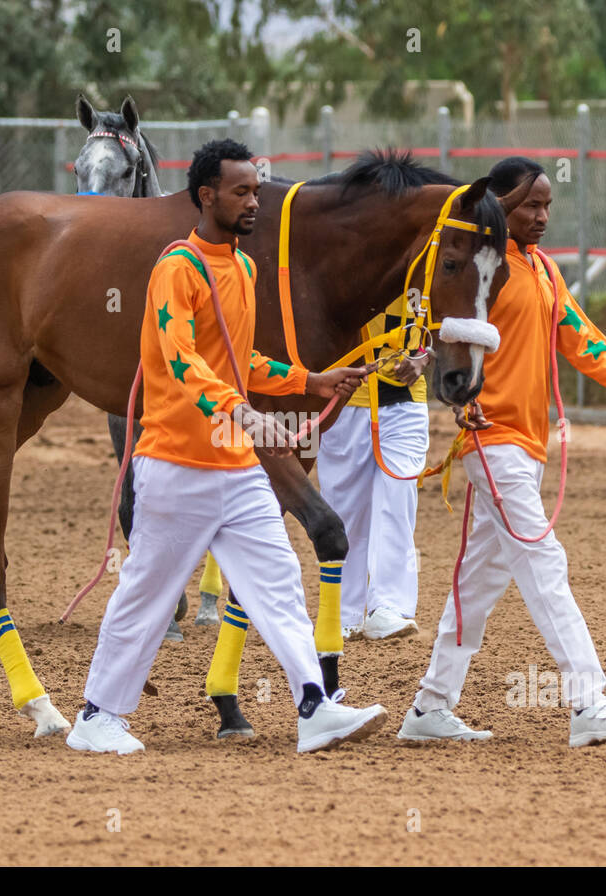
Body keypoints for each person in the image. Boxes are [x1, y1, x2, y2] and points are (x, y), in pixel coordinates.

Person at [66, 139, 387, 755]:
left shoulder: (243, 268)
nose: (253, 201)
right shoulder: (175, 269)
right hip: (175, 467)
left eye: (257, 191)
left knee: (277, 583)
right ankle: (97, 715)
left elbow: (239, 364)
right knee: (147, 595)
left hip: (236, 468)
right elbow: (182, 360)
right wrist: (237, 410)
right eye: (241, 191)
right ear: (206, 195)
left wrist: (309, 381)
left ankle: (314, 705)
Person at [398, 156, 606, 748]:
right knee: (544, 562)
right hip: (492, 438)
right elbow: (441, 335)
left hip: (526, 446)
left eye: (548, 205)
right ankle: (589, 702)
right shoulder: (482, 267)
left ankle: (429, 708)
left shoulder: (546, 270)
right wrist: (456, 404)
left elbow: (582, 338)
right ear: (499, 204)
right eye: (531, 205)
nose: (543, 215)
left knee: (475, 586)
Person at [316, 296, 430, 641]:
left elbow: (441, 326)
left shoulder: (430, 257)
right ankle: (344, 613)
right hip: (346, 398)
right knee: (345, 509)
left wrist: (424, 357)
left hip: (407, 399)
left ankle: (390, 608)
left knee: (398, 497)